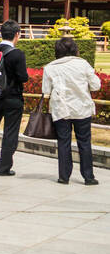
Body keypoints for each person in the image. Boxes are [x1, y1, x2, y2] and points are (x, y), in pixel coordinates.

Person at [42, 36, 102, 185]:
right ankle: (88, 177)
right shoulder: (83, 64)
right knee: (84, 143)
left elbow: (45, 90)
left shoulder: (50, 67)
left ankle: (64, 176)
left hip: (61, 109)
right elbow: (96, 86)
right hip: (82, 108)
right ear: (74, 49)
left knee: (63, 142)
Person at [0, 20, 28, 176]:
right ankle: (4, 166)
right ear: (17, 34)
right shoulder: (17, 54)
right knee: (10, 132)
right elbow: (23, 77)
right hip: (13, 97)